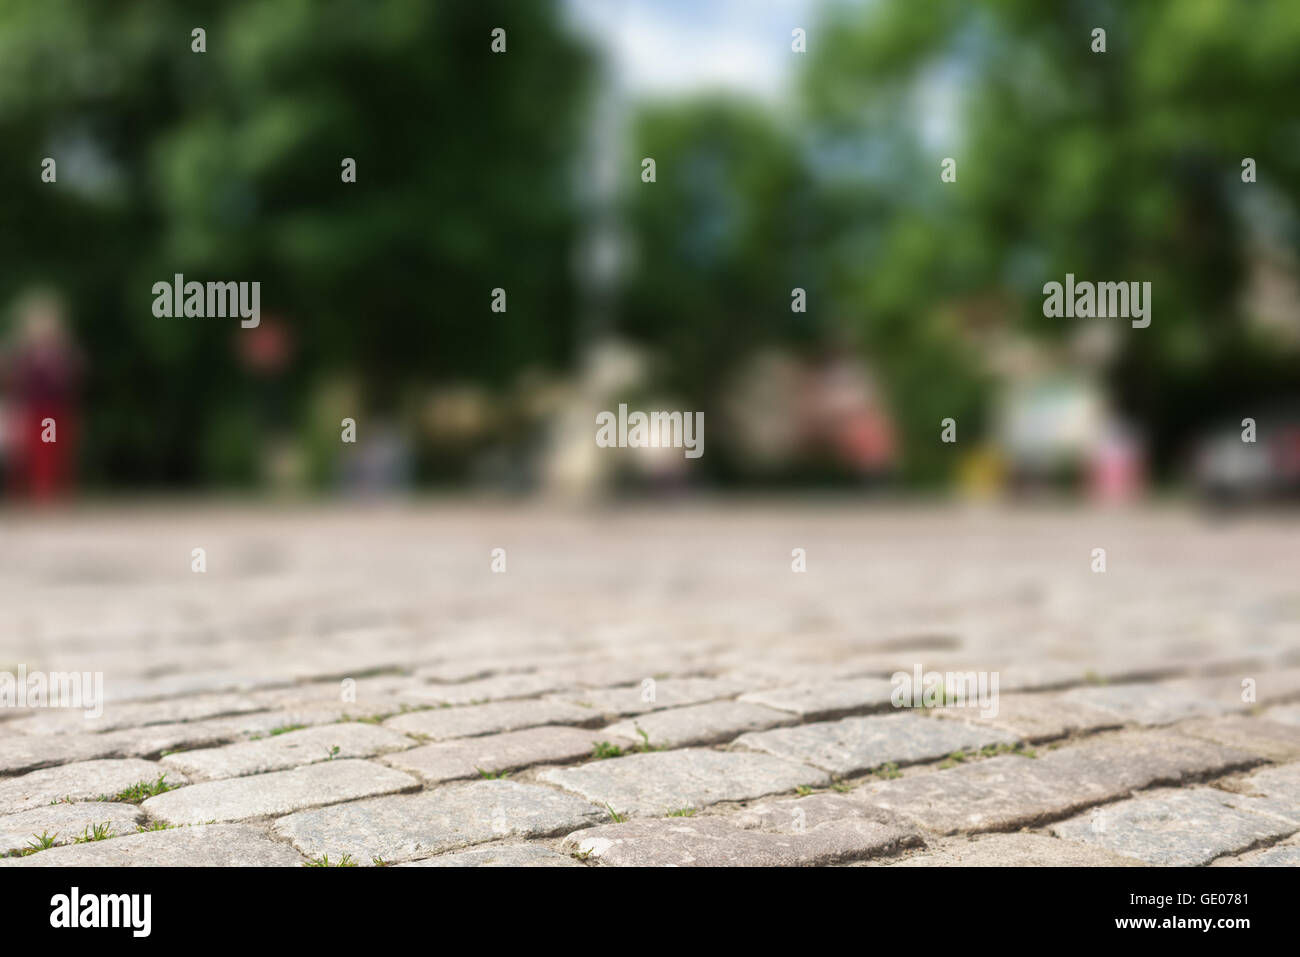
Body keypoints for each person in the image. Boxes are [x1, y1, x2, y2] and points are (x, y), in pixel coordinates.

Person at [0, 291, 83, 501]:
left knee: (52, 451)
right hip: (30, 410)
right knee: (26, 452)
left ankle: (49, 493)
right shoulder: (22, 352)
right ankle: (30, 493)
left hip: (53, 411)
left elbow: (73, 374)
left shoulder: (60, 351)